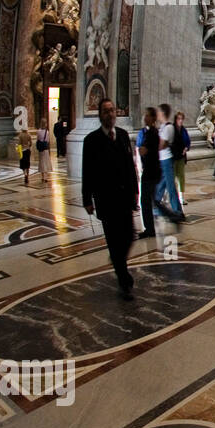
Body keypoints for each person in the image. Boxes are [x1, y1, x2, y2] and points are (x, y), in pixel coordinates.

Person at [82, 99, 138, 300]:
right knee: (114, 241)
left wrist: (135, 191)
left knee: (130, 235)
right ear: (100, 115)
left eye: (112, 110)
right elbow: (87, 172)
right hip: (106, 199)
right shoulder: (91, 140)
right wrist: (86, 199)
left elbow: (130, 167)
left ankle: (118, 262)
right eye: (106, 111)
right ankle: (124, 280)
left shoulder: (122, 135)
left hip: (124, 197)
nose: (110, 114)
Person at [156, 105, 186, 219]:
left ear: (163, 113)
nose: (157, 114)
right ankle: (156, 207)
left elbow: (162, 145)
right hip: (162, 160)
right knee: (160, 186)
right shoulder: (163, 126)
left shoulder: (169, 127)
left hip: (167, 160)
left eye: (158, 112)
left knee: (170, 186)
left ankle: (178, 211)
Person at [137, 108, 163, 236]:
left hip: (150, 171)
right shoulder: (152, 132)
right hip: (153, 170)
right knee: (153, 200)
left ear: (152, 118)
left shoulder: (151, 133)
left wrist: (144, 150)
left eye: (147, 115)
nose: (144, 118)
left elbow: (144, 151)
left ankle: (149, 229)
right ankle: (151, 227)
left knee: (146, 200)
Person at [171, 111, 190, 204]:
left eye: (182, 119)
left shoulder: (183, 130)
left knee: (181, 177)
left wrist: (186, 148)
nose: (181, 121)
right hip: (173, 156)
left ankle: (181, 196)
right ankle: (172, 196)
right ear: (175, 119)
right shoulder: (172, 129)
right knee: (172, 177)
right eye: (179, 119)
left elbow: (188, 141)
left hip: (181, 156)